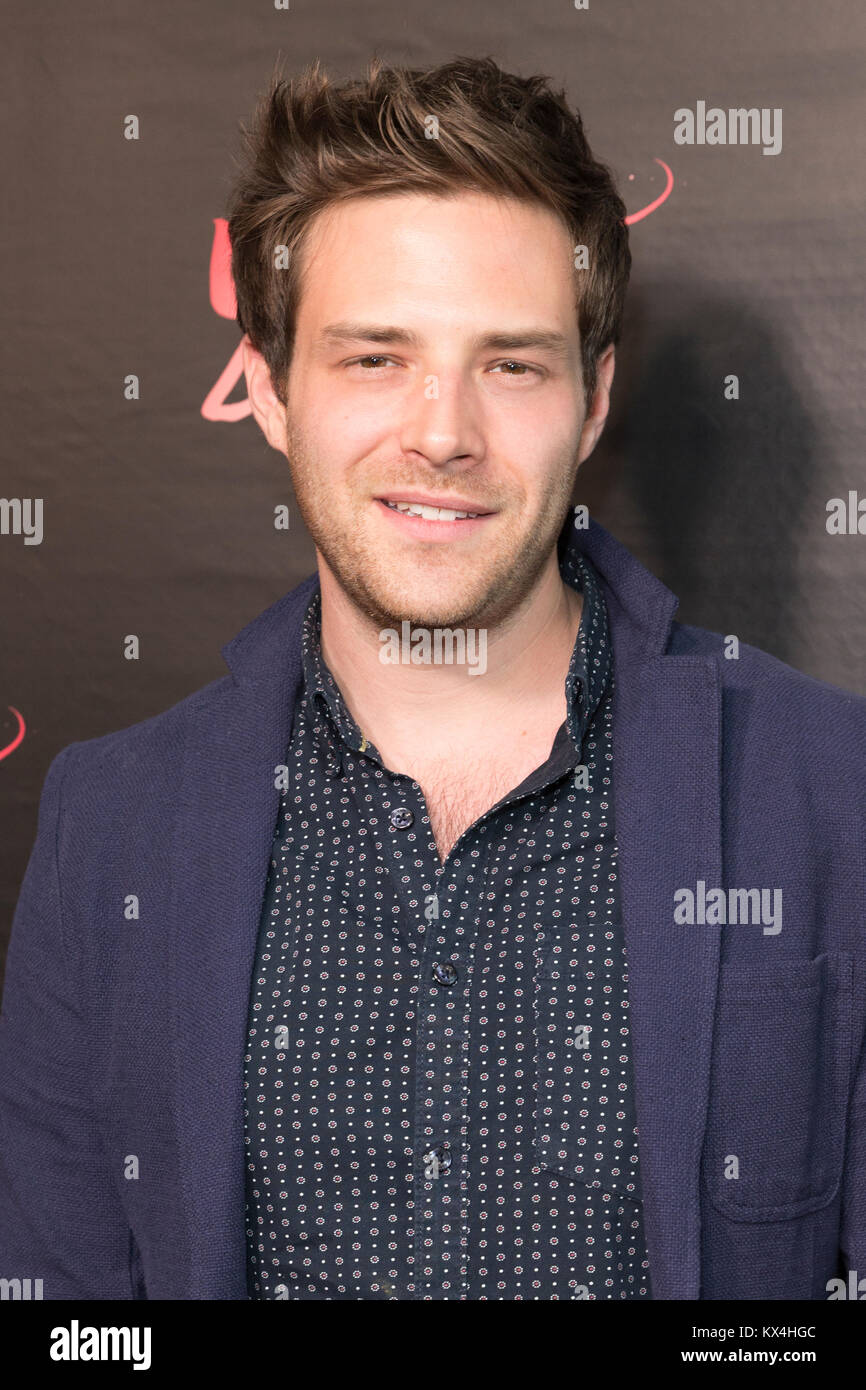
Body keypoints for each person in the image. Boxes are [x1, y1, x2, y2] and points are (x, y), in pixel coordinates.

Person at [1, 54, 864, 1302]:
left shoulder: (829, 787)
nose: (443, 431)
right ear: (269, 389)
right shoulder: (113, 827)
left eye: (509, 363)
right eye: (372, 359)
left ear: (590, 400)